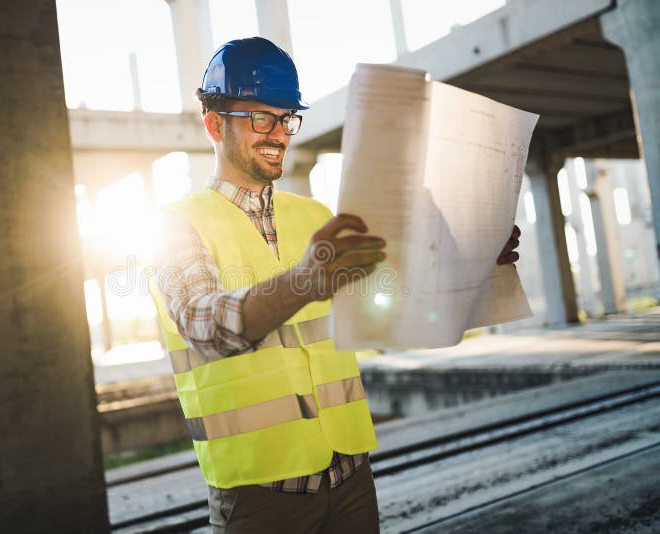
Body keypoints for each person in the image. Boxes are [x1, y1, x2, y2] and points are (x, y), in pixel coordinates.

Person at [151, 36, 521, 533]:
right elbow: (205, 325)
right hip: (260, 495)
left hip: (350, 480)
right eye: (262, 118)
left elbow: (391, 300)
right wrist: (305, 281)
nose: (279, 133)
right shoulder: (176, 226)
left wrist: (476, 260)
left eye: (287, 118)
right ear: (215, 123)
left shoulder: (318, 217)